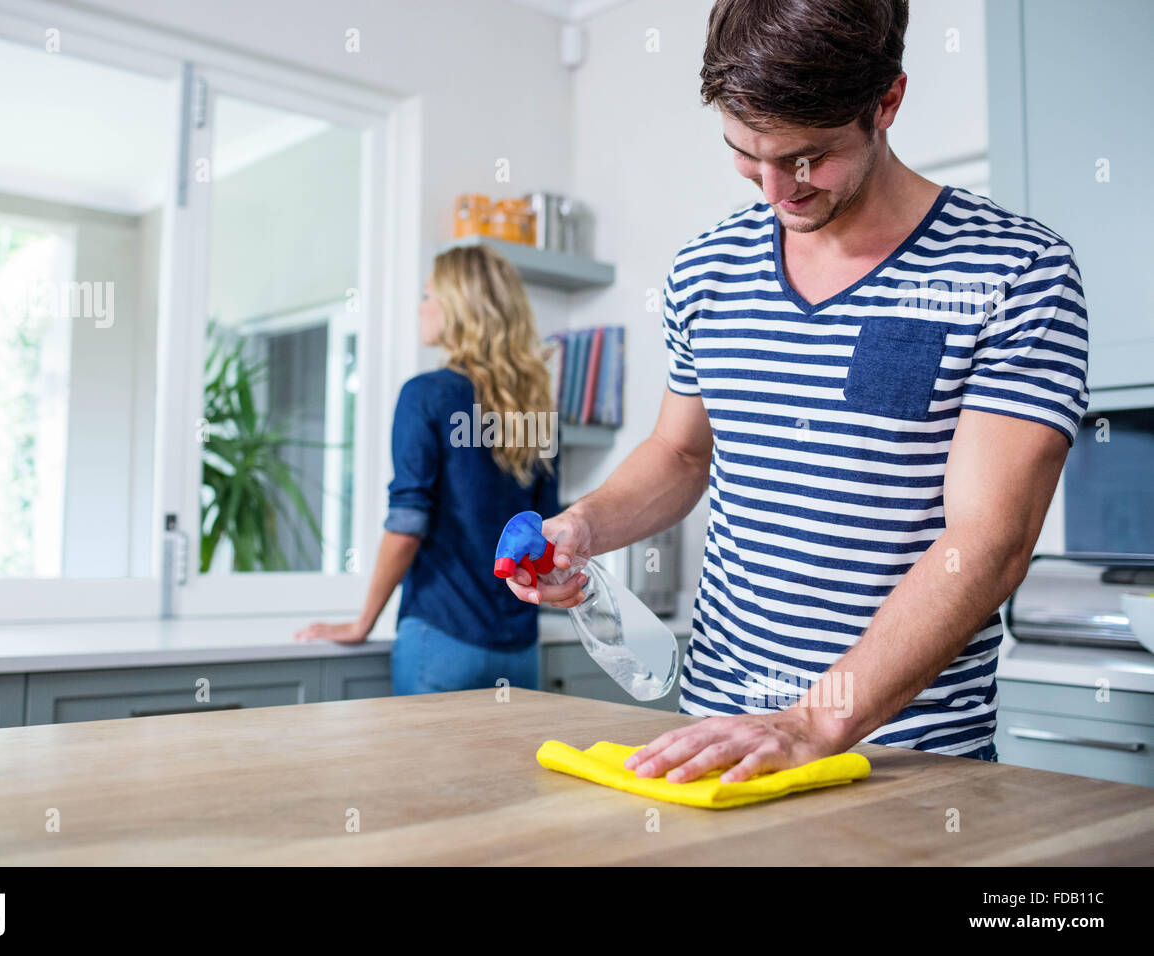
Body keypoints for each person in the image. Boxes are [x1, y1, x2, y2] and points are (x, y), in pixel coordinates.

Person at [505, 0, 1087, 783]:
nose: (777, 189)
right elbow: (680, 453)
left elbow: (988, 545)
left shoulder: (1017, 271)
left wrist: (814, 723)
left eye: (808, 158)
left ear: (887, 102)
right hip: (715, 734)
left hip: (905, 757)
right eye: (746, 154)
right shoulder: (706, 268)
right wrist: (582, 525)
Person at [296, 245, 561, 694]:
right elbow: (546, 534)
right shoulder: (535, 410)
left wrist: (363, 622)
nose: (421, 308)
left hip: (441, 642)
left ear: (458, 307)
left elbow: (406, 525)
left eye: (429, 295)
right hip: (518, 652)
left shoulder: (426, 395)